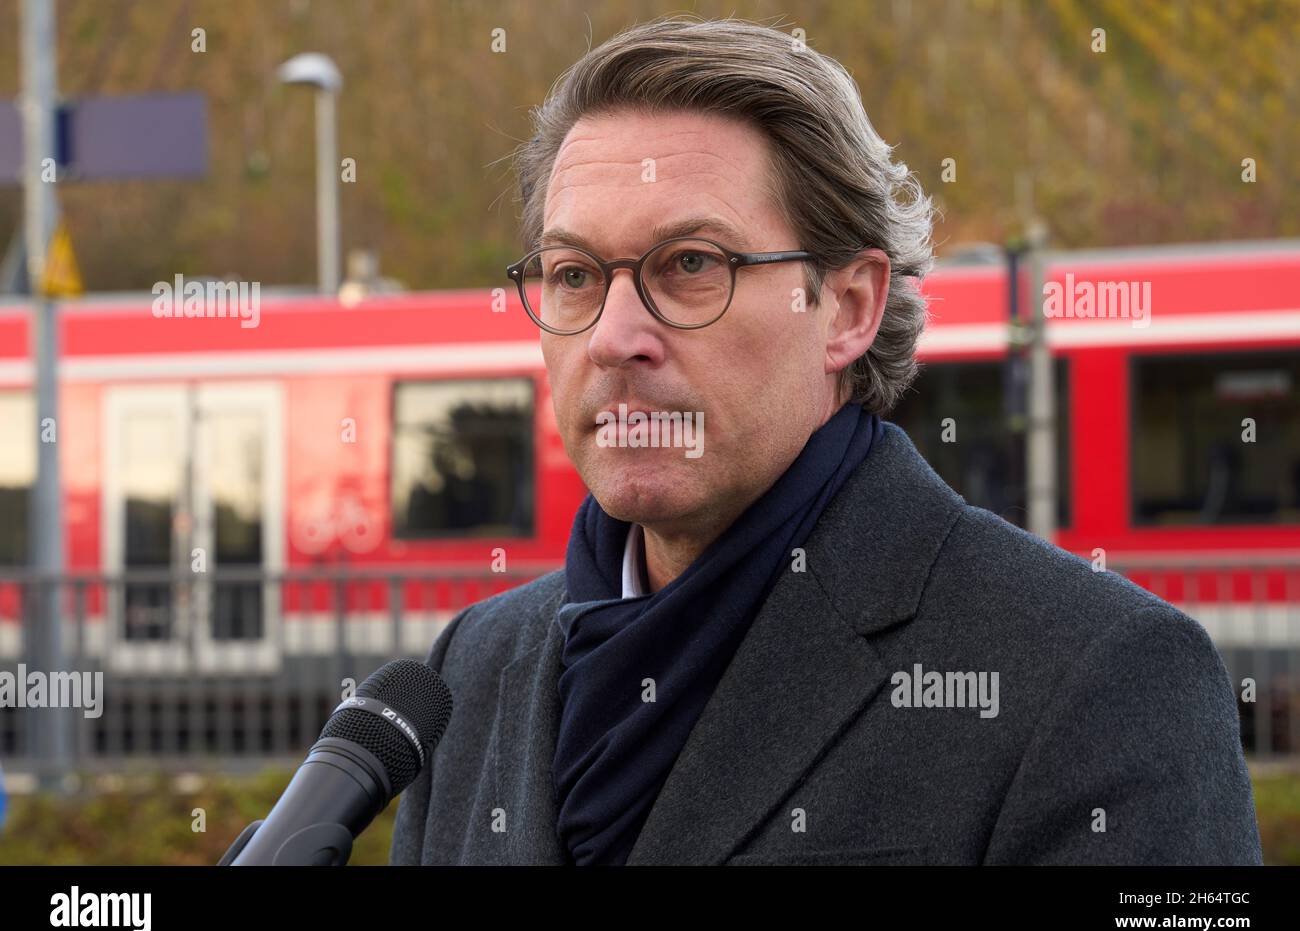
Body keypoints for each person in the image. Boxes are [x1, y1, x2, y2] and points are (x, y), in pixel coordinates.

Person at [390, 16, 1262, 865]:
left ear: (848, 308)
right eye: (575, 275)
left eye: (692, 264)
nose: (615, 336)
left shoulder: (1101, 677)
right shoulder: (470, 669)